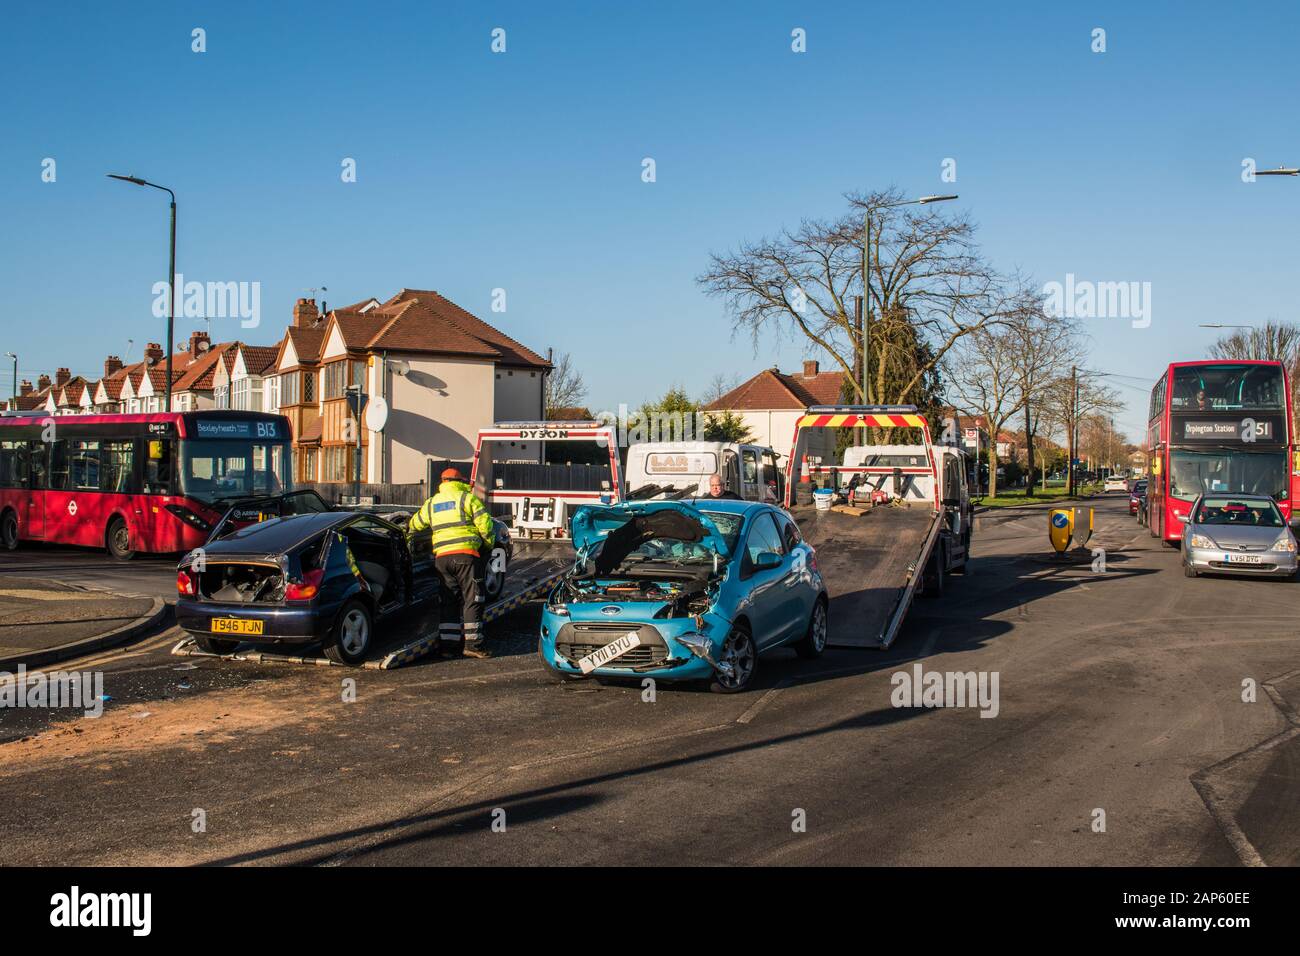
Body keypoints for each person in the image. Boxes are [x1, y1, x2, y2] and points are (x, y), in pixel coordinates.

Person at [409, 467, 497, 658]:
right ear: (461, 482)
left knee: (448, 601)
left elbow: (415, 524)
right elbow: (486, 526)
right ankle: (473, 645)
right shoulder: (468, 499)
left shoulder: (432, 503)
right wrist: (487, 546)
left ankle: (448, 647)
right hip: (465, 556)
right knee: (472, 600)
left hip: (442, 559)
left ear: (443, 482)